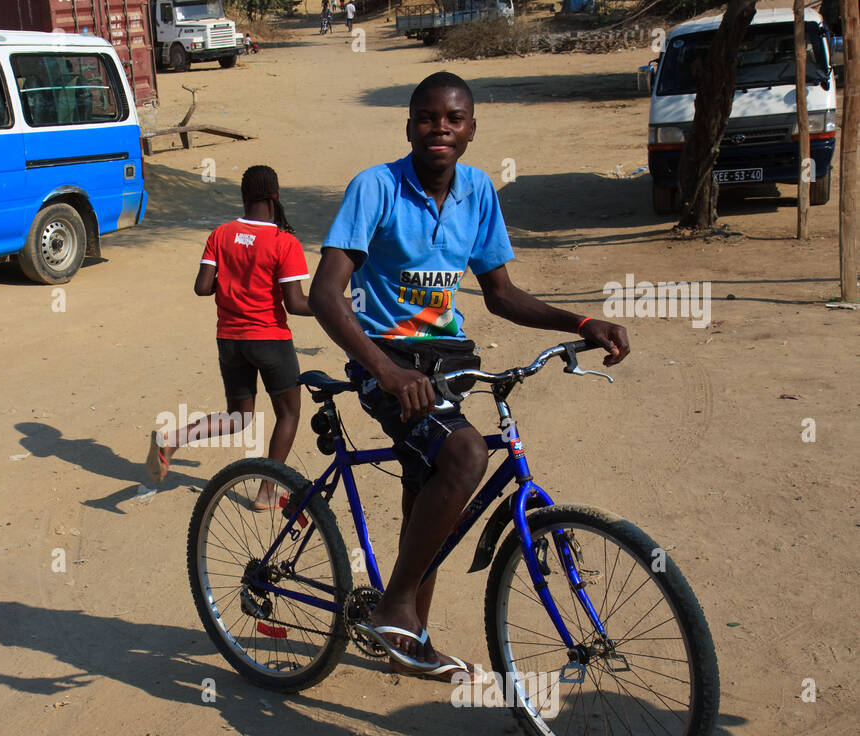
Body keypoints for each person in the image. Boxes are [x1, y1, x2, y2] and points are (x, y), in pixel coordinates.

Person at [308, 72, 630, 682]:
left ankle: (411, 639)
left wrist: (582, 320)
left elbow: (501, 294)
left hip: (448, 358)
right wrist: (388, 371)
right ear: (409, 126)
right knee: (464, 456)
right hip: (384, 356)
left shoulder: (479, 190)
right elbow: (326, 295)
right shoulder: (375, 187)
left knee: (432, 485)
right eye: (428, 118)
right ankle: (395, 606)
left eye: (454, 119)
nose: (441, 129)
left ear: (471, 129)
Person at [146, 166, 313, 510]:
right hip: (269, 339)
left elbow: (201, 287)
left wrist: (232, 281)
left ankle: (172, 440)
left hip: (230, 340)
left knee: (239, 417)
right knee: (289, 414)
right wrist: (336, 306)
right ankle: (268, 490)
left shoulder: (221, 235)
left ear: (243, 197)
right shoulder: (284, 242)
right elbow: (296, 304)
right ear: (275, 196)